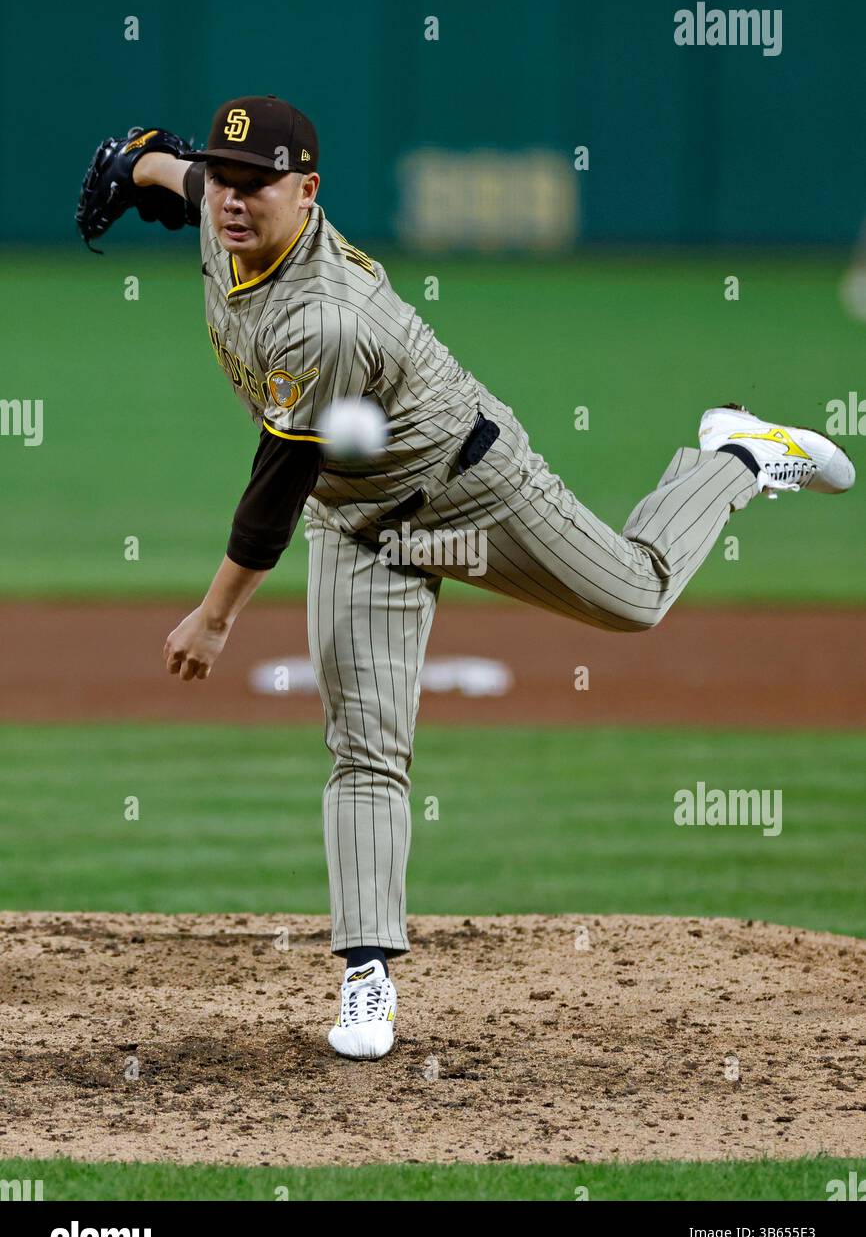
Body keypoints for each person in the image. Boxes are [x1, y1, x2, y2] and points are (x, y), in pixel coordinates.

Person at [77, 95, 856, 1060]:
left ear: (307, 192)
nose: (232, 200)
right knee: (365, 746)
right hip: (358, 522)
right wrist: (143, 161)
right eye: (225, 180)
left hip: (468, 492)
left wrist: (213, 617)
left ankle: (732, 456)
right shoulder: (223, 205)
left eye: (256, 184)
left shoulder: (323, 320)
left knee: (636, 598)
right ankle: (368, 978)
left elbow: (273, 492)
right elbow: (180, 175)